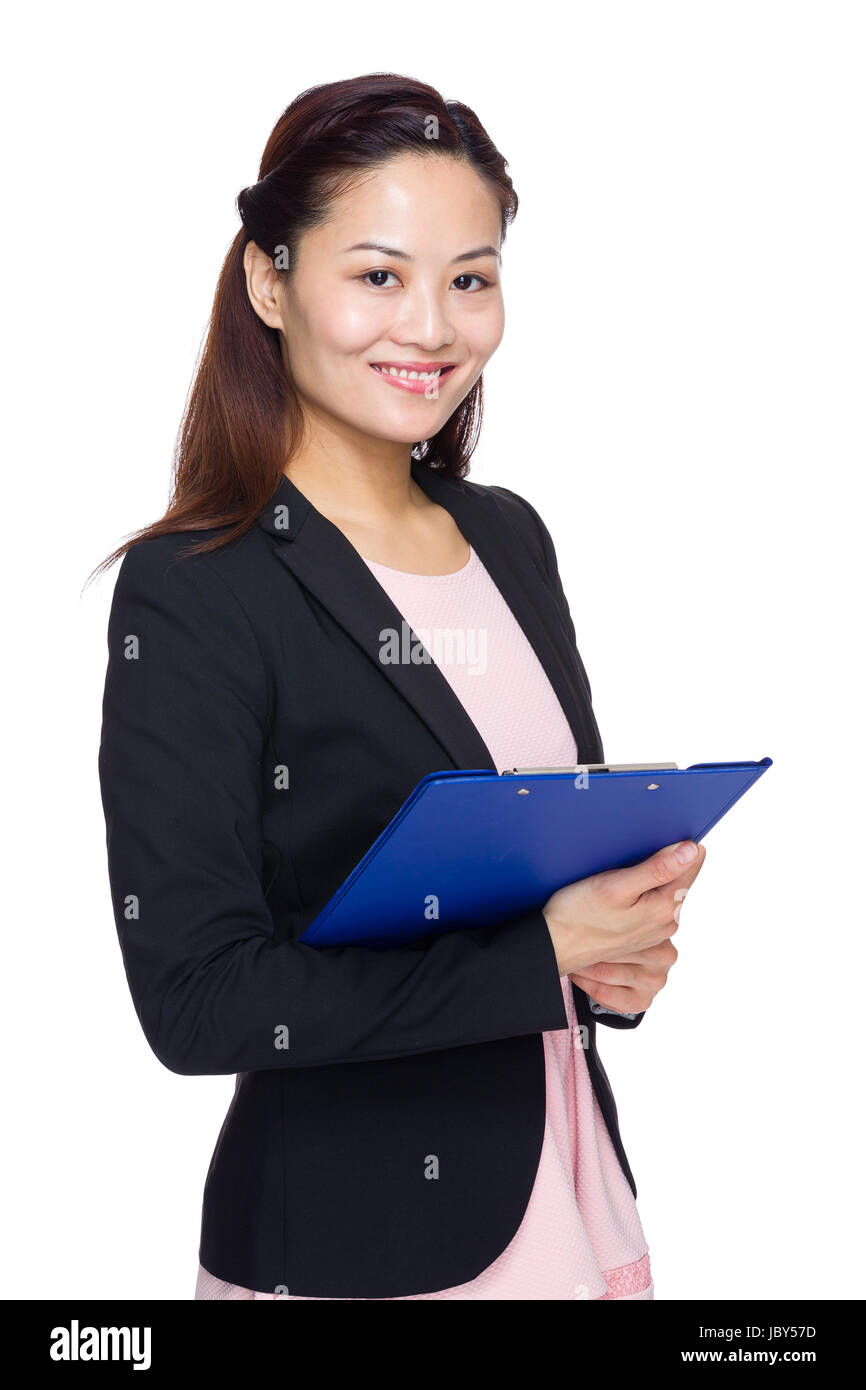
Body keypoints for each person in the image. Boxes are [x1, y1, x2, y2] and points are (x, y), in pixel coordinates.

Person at [95, 72, 706, 1301]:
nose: (430, 326)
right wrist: (537, 960)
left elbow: (540, 872)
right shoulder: (195, 589)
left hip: (575, 1206)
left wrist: (614, 952)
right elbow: (198, 1001)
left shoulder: (509, 538)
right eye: (378, 275)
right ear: (271, 280)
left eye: (469, 278)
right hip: (363, 1248)